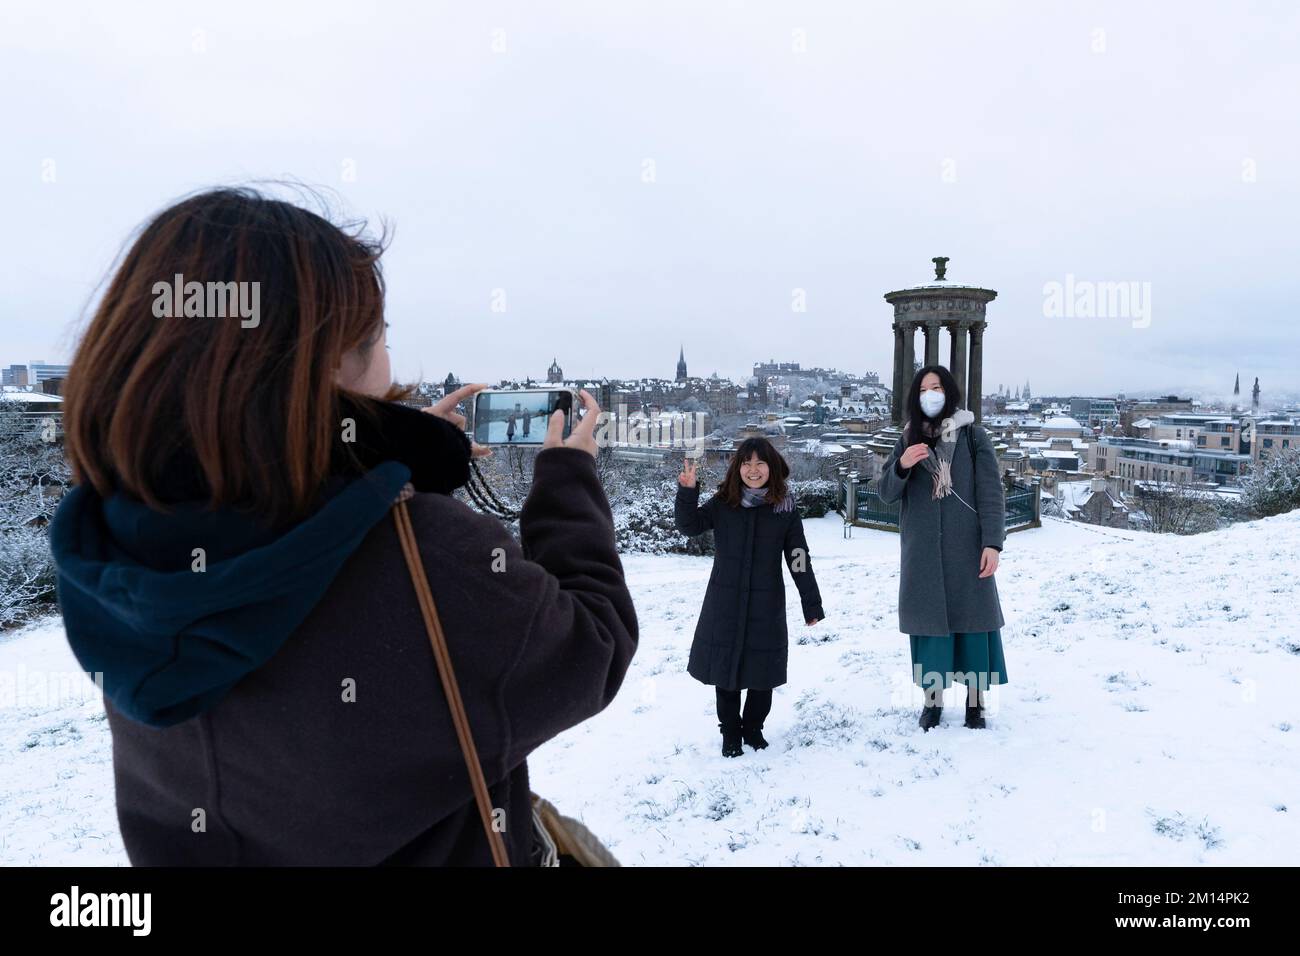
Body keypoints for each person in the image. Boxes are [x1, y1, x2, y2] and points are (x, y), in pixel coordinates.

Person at [48, 186, 638, 865]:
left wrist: (396, 455)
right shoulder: (425, 554)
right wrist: (566, 477)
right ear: (328, 361)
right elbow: (592, 646)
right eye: (381, 337)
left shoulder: (107, 539)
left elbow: (283, 509)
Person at [878, 365, 1008, 731]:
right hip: (921, 552)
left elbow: (991, 494)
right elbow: (887, 494)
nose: (930, 394)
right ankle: (932, 704)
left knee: (973, 627)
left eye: (936, 387)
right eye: (923, 389)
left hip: (967, 548)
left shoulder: (972, 436)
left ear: (949, 392)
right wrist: (902, 466)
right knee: (930, 630)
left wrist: (992, 543)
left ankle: (976, 704)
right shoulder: (907, 439)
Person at [674, 439, 824, 757]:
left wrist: (811, 602)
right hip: (724, 603)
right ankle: (730, 734)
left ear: (772, 467)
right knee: (726, 675)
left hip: (765, 606)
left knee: (761, 674)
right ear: (737, 467)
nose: (752, 470)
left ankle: (753, 729)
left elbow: (798, 557)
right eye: (746, 463)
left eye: (759, 463)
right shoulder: (723, 503)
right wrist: (688, 492)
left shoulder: (784, 509)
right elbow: (689, 526)